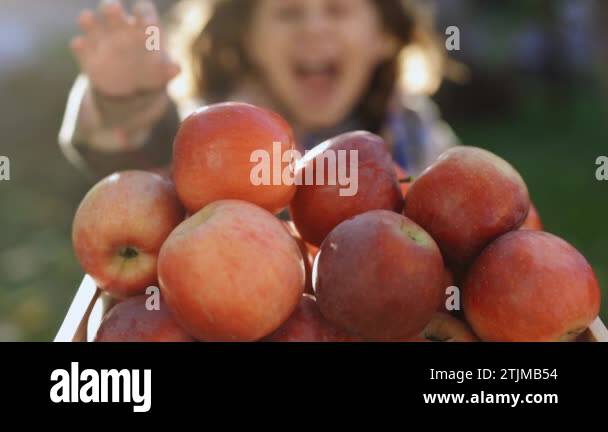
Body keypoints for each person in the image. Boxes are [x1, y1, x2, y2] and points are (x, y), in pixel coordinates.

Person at [59, 0, 458, 180]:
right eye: (288, 12)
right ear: (247, 38)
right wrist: (125, 102)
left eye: (337, 9)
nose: (313, 27)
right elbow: (128, 159)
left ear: (385, 35)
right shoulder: (216, 125)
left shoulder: (414, 128)